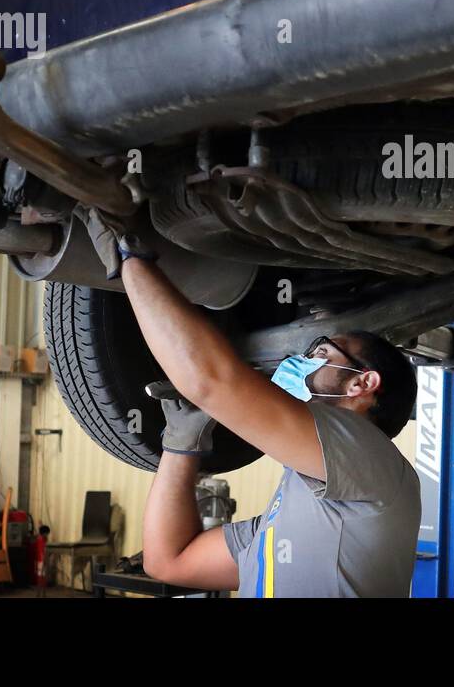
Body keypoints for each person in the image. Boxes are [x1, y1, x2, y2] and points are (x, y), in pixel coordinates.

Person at [78, 207, 421, 597]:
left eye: (321, 351)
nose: (302, 360)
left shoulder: (373, 460)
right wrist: (181, 444)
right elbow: (169, 559)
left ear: (363, 382)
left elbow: (210, 381)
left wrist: (131, 262)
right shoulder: (288, 516)